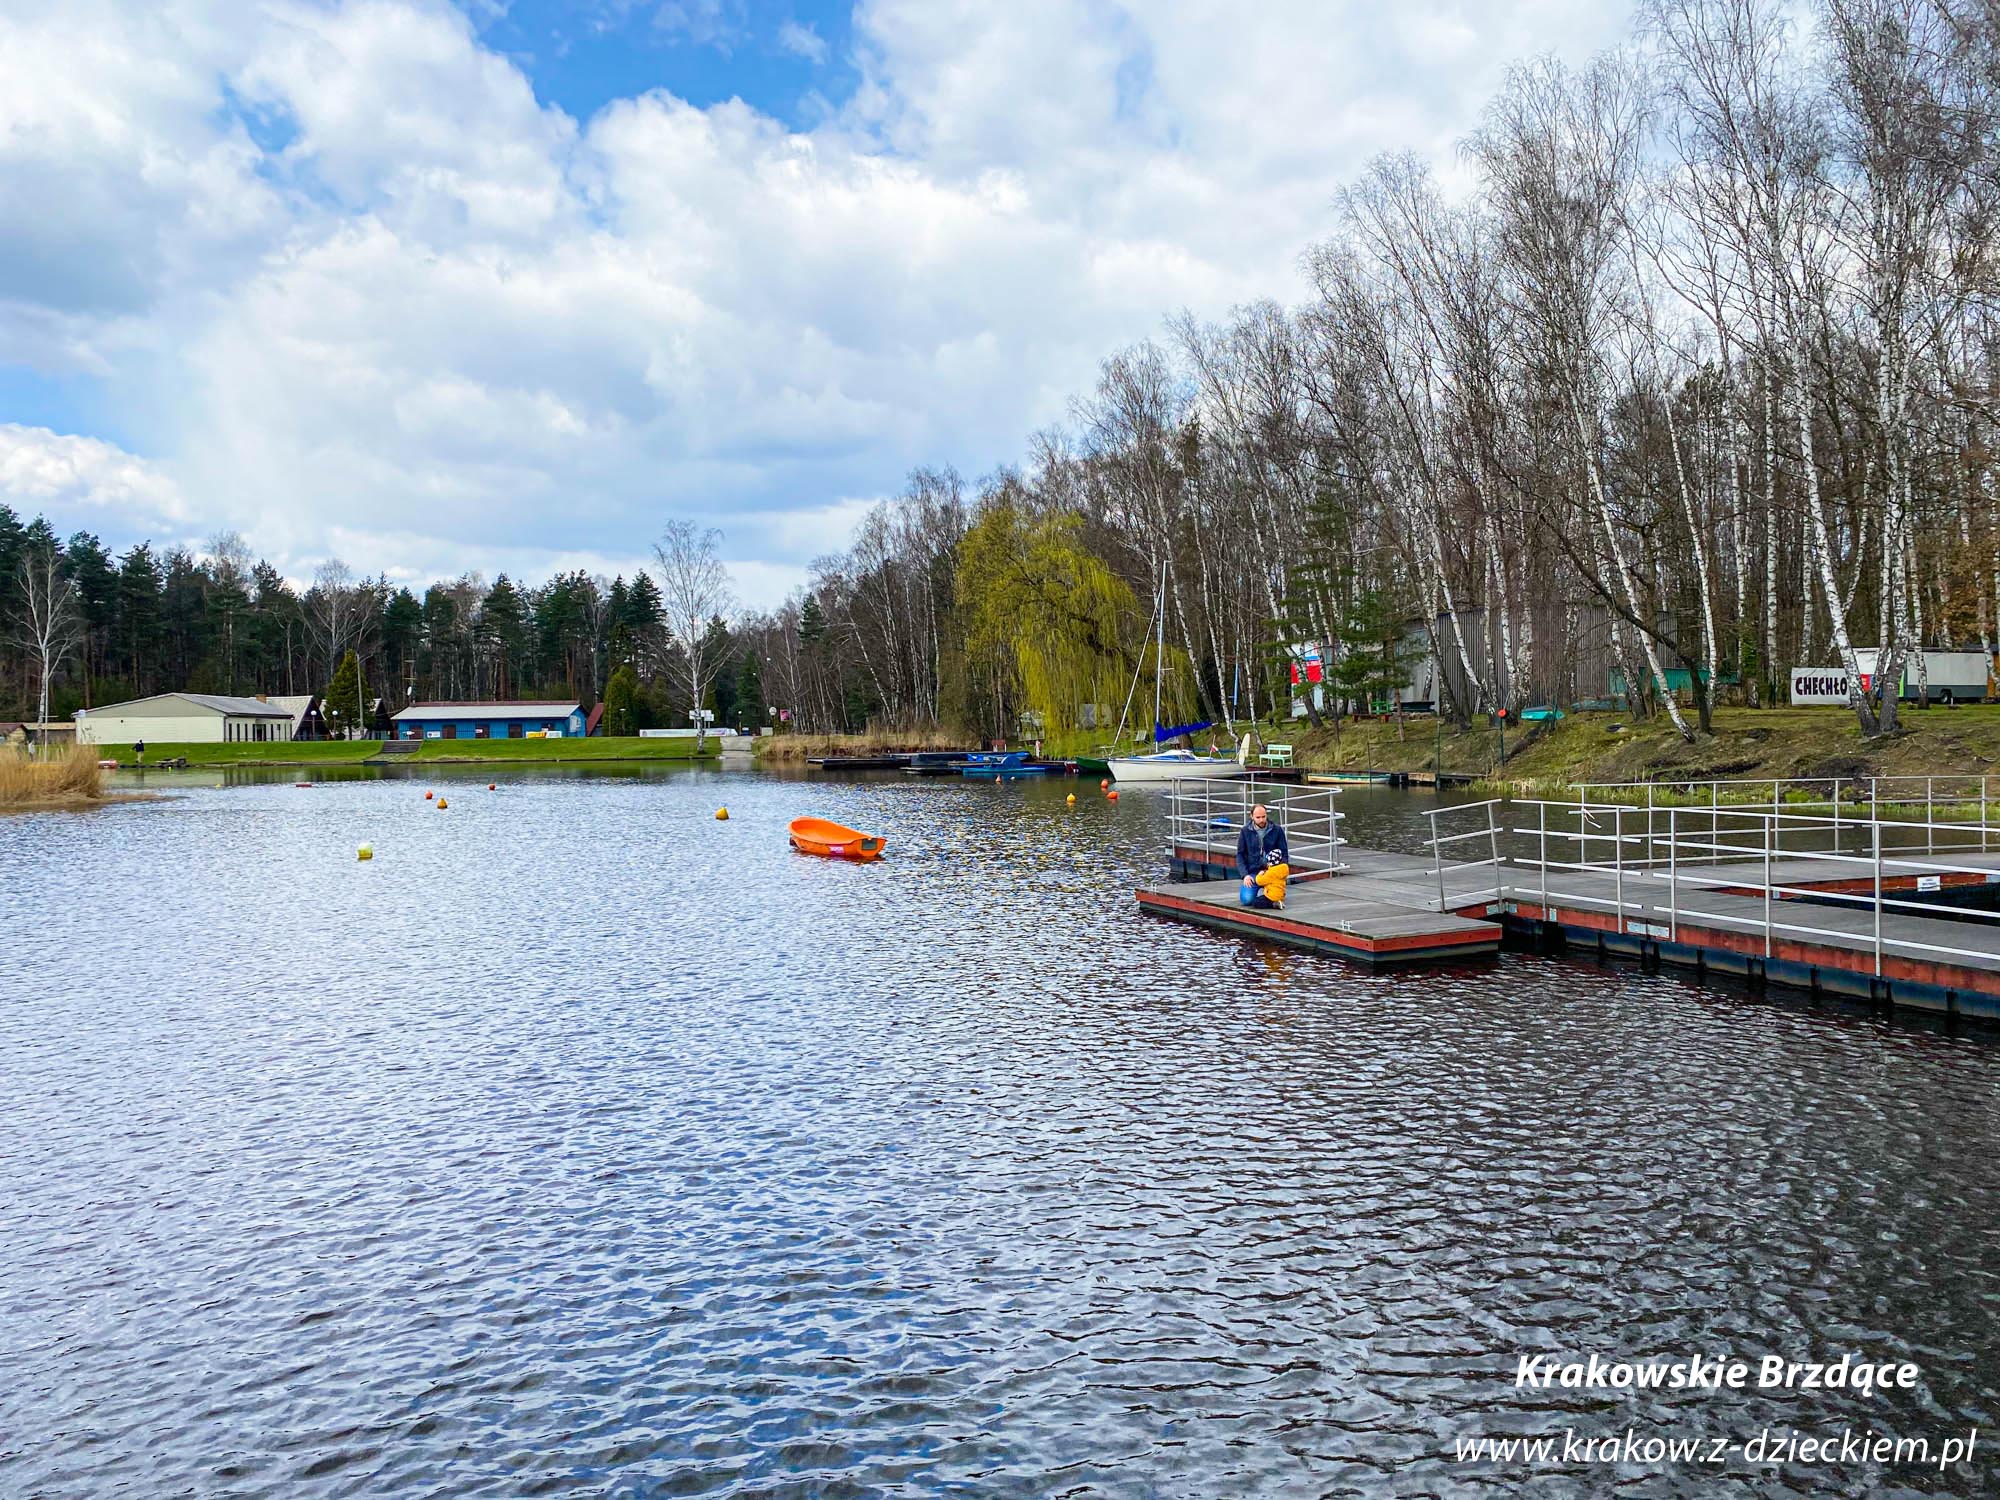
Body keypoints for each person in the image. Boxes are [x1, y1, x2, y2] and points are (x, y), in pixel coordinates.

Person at [1237, 803, 1290, 908]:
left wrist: (1280, 872)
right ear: (1252, 816)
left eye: (1263, 816)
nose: (1261, 820)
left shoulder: (1277, 830)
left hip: (1271, 871)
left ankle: (1272, 897)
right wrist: (1245, 875)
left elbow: (1284, 853)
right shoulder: (1245, 831)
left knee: (1275, 894)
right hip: (1253, 872)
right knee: (1247, 900)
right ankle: (1269, 897)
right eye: (1258, 817)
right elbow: (1240, 855)